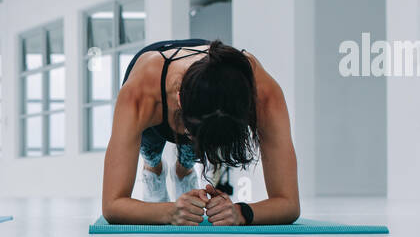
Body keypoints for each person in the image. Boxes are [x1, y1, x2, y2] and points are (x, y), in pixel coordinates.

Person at [100, 38, 300, 226]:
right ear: (179, 100)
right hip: (157, 74)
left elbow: (289, 204)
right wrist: (170, 212)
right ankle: (153, 169)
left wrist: (241, 212)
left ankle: (184, 170)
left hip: (211, 78)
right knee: (150, 149)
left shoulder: (264, 94)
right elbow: (112, 205)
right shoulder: (139, 94)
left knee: (190, 154)